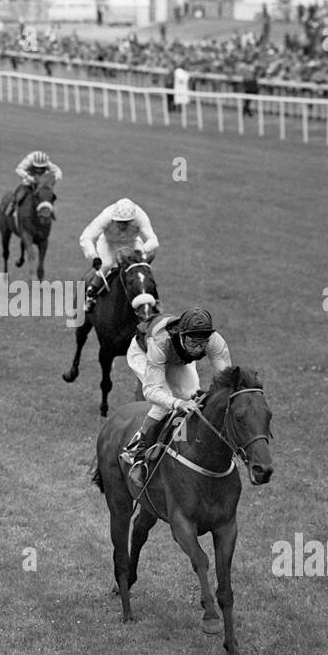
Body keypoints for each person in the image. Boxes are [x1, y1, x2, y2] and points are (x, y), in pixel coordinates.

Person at [120, 308, 232, 468]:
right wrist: (176, 403)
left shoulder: (213, 340)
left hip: (177, 358)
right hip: (145, 353)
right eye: (193, 343)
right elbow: (151, 391)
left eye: (203, 343)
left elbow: (226, 380)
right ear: (181, 335)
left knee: (192, 396)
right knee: (166, 399)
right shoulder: (159, 342)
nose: (198, 349)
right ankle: (136, 447)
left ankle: (181, 440)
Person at [78, 198, 159, 312]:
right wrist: (93, 256)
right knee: (106, 265)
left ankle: (155, 299)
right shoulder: (106, 215)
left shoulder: (140, 215)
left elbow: (153, 240)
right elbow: (86, 237)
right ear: (114, 218)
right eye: (119, 222)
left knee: (141, 268)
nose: (123, 226)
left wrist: (140, 253)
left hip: (132, 243)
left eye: (126, 222)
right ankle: (91, 295)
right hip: (108, 243)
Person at [6, 150, 62, 216]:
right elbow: (18, 170)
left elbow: (58, 171)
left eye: (42, 168)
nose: (39, 170)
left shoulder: (47, 162)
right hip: (29, 177)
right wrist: (29, 178)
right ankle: (13, 206)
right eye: (37, 168)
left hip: (41, 180)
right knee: (21, 192)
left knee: (48, 194)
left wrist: (54, 179)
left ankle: (50, 210)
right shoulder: (28, 160)